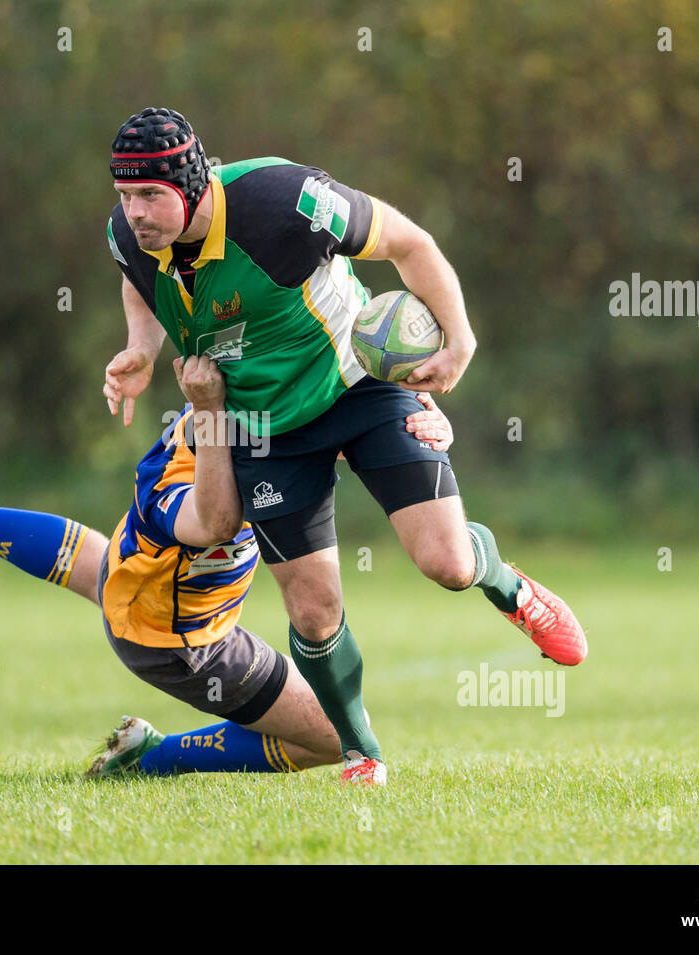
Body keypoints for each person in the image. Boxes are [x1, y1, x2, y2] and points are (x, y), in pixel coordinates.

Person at [102, 106, 587, 786]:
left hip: (356, 386)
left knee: (447, 563)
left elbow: (411, 244)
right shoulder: (131, 233)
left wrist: (460, 340)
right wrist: (139, 349)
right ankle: (363, 752)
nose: (136, 213)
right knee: (312, 607)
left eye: (151, 195)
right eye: (125, 196)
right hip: (263, 428)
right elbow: (138, 280)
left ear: (194, 183)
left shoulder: (284, 203)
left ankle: (509, 586)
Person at [0, 355, 453, 776]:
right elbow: (215, 525)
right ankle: (152, 757)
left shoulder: (241, 421)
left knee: (95, 562)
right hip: (183, 644)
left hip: (135, 579)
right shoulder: (182, 476)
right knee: (332, 736)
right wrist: (207, 409)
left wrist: (411, 417)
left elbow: (329, 420)